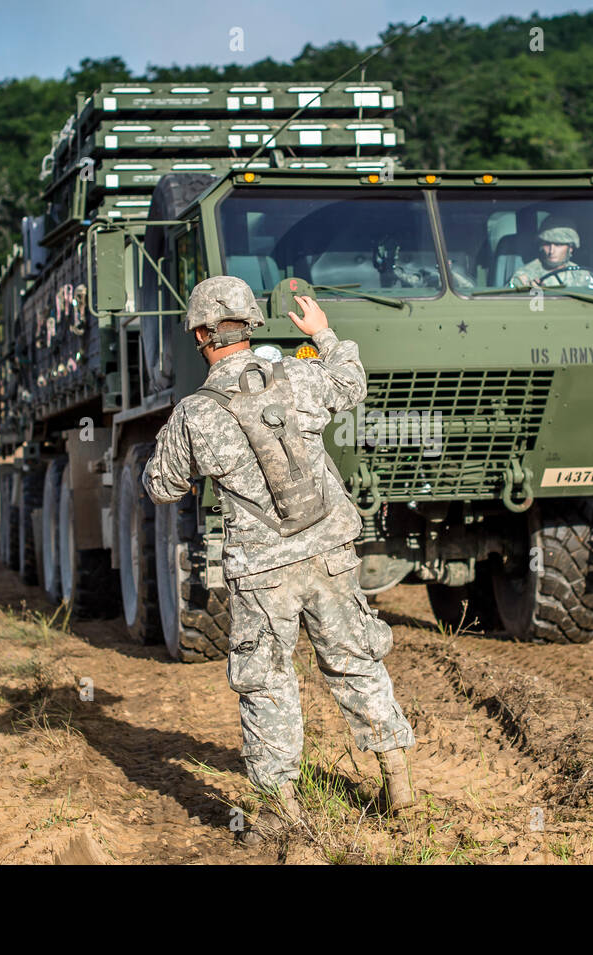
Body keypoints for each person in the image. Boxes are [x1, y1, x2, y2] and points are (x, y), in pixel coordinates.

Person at [142, 276, 417, 844]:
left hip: (263, 571)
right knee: (354, 659)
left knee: (266, 680)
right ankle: (399, 781)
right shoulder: (299, 375)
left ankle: (283, 808)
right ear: (249, 324)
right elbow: (352, 383)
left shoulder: (195, 413)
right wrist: (324, 334)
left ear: (200, 334)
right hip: (331, 553)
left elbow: (163, 486)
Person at [508, 218, 593, 288]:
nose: (551, 251)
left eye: (558, 245)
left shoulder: (581, 274)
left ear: (571, 248)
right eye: (547, 244)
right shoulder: (526, 274)